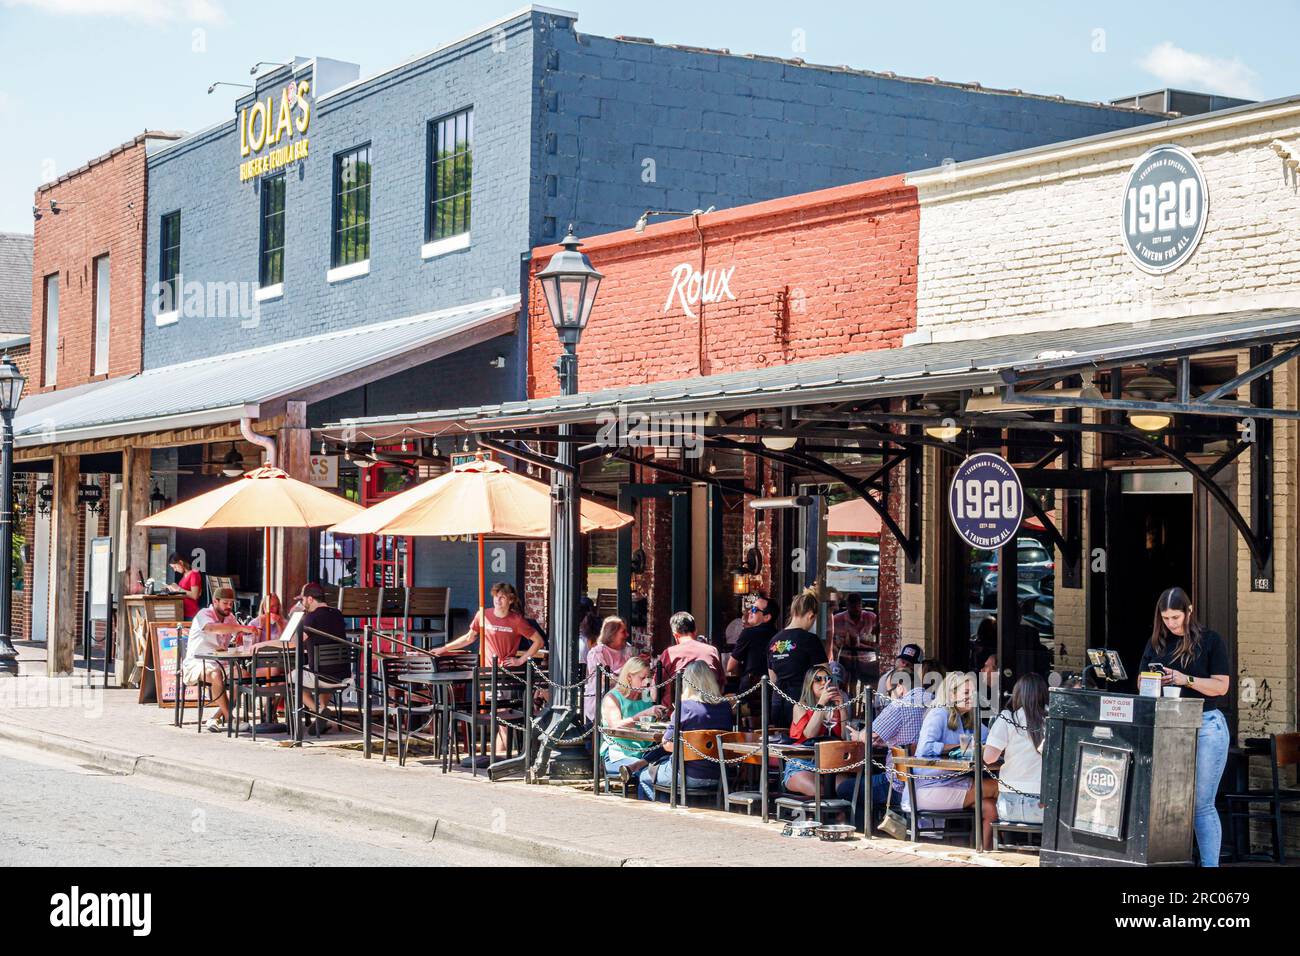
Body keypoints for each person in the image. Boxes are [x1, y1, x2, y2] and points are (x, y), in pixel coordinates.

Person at [1139, 586, 1230, 867]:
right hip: (1168, 728)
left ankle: (1210, 865)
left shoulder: (1211, 640)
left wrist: (1184, 679)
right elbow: (1141, 684)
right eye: (1166, 618)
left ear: (1189, 612)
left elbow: (1221, 686)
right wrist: (1157, 680)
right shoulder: (1157, 642)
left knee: (1201, 804)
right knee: (1168, 799)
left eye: (1176, 617)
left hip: (1206, 725)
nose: (1171, 624)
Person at [908, 671, 997, 847]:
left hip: (953, 782)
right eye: (966, 693)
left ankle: (982, 853)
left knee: (991, 808)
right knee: (998, 787)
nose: (971, 697)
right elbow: (924, 748)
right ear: (951, 695)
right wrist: (958, 746)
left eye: (973, 693)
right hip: (931, 787)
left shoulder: (967, 717)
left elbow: (991, 738)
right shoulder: (938, 714)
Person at [638, 660, 733, 800]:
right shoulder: (725, 707)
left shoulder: (685, 707)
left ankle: (663, 813)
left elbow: (667, 743)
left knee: (645, 776)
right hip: (718, 775)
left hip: (687, 774)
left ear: (687, 682)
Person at [181, 587, 256, 732]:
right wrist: (241, 628)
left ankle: (216, 717)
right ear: (215, 601)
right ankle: (230, 719)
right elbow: (212, 628)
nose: (229, 606)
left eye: (231, 603)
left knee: (244, 676)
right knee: (216, 674)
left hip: (222, 662)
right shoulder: (204, 614)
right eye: (225, 603)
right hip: (197, 662)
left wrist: (240, 636)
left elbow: (234, 635)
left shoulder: (230, 617)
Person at [983, 673, 1048, 825]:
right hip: (1043, 807)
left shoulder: (1007, 718)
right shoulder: (1052, 719)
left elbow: (989, 758)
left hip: (1009, 807)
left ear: (1018, 694)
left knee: (986, 802)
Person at [781, 665, 851, 797]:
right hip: (802, 763)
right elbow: (809, 735)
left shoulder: (833, 709)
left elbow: (843, 738)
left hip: (830, 765)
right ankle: (814, 817)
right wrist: (821, 703)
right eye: (818, 679)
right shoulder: (800, 706)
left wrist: (842, 708)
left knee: (845, 789)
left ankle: (839, 817)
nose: (824, 682)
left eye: (828, 678)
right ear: (809, 684)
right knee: (819, 791)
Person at [434, 582, 543, 667]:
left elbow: (539, 641)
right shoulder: (482, 615)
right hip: (485, 671)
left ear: (511, 600)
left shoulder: (517, 620)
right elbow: (468, 638)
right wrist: (444, 649)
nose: (498, 600)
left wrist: (520, 660)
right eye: (496, 596)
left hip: (505, 673)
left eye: (502, 597)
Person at [599, 658, 668, 785]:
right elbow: (615, 726)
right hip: (619, 755)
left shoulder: (645, 697)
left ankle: (637, 766)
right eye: (642, 678)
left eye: (649, 677)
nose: (646, 682)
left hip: (644, 753)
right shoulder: (612, 697)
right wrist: (643, 714)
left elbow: (648, 724)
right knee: (650, 772)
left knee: (667, 752)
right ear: (629, 677)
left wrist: (659, 716)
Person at [765, 589, 827, 727]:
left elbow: (773, 678)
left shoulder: (774, 640)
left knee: (780, 742)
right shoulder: (810, 639)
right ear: (811, 615)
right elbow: (824, 675)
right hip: (802, 703)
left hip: (777, 703)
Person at [657, 611, 725, 707]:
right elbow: (721, 688)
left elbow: (654, 693)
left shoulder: (669, 654)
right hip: (710, 710)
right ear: (695, 631)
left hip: (675, 713)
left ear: (675, 635)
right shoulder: (712, 651)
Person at [584, 615, 636, 721]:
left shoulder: (628, 649)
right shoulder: (597, 653)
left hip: (626, 699)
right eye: (623, 632)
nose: (627, 634)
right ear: (611, 634)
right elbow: (604, 680)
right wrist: (627, 671)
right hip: (601, 701)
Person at [726, 592, 776, 698]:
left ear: (766, 617)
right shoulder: (778, 635)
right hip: (773, 693)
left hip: (750, 694)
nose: (750, 612)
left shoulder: (748, 633)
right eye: (750, 608)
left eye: (754, 610)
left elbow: (730, 666)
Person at [832, 592, 878, 696]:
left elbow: (878, 640)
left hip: (867, 662)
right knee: (845, 689)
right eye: (852, 607)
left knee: (868, 691)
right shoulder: (837, 619)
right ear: (847, 606)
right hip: (845, 661)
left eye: (858, 606)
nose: (856, 610)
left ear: (861, 605)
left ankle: (865, 708)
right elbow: (832, 642)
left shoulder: (871, 617)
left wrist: (866, 643)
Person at [166, 553, 203, 620]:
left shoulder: (194, 574)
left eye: (175, 567)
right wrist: (173, 589)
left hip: (191, 613)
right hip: (182, 611)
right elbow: (183, 593)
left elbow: (195, 595)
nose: (175, 570)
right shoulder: (185, 575)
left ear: (181, 562)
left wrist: (178, 589)